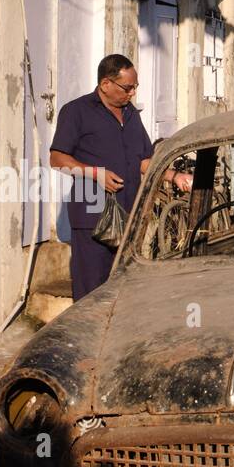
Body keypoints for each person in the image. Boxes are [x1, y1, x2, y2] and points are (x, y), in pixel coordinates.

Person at [50, 54, 192, 300]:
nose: (132, 93)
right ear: (106, 84)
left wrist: (174, 176)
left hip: (129, 214)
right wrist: (95, 174)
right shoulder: (76, 111)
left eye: (135, 87)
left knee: (123, 288)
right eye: (128, 87)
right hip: (93, 217)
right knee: (92, 291)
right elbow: (57, 160)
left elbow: (144, 161)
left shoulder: (131, 114)